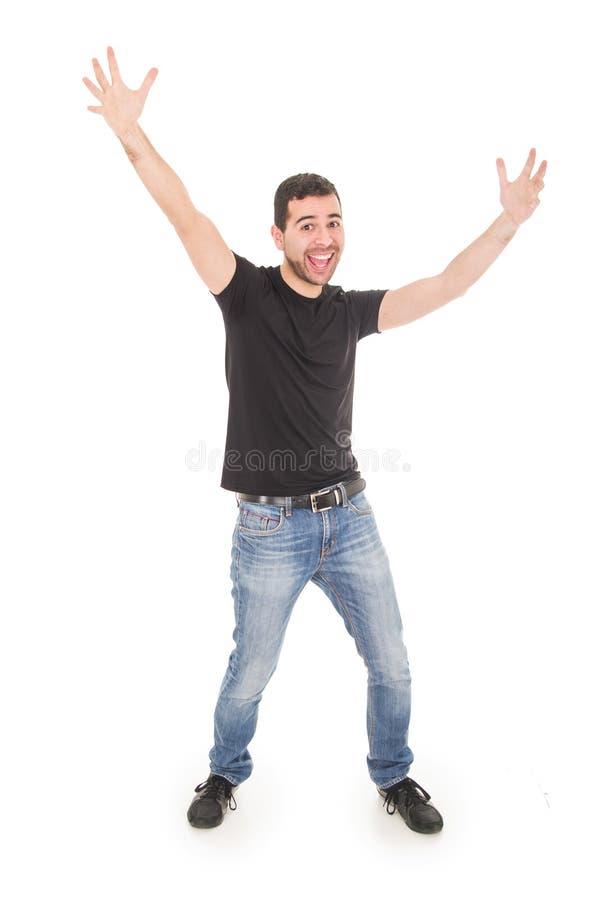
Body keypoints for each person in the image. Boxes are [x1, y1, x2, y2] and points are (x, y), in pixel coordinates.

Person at [83, 47, 547, 835]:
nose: (324, 236)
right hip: (268, 528)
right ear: (281, 233)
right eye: (308, 225)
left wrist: (508, 220)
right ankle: (225, 772)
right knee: (251, 669)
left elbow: (445, 285)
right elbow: (184, 213)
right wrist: (133, 138)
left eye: (333, 221)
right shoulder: (245, 294)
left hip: (351, 518)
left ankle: (394, 776)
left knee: (393, 662)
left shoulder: (351, 309)